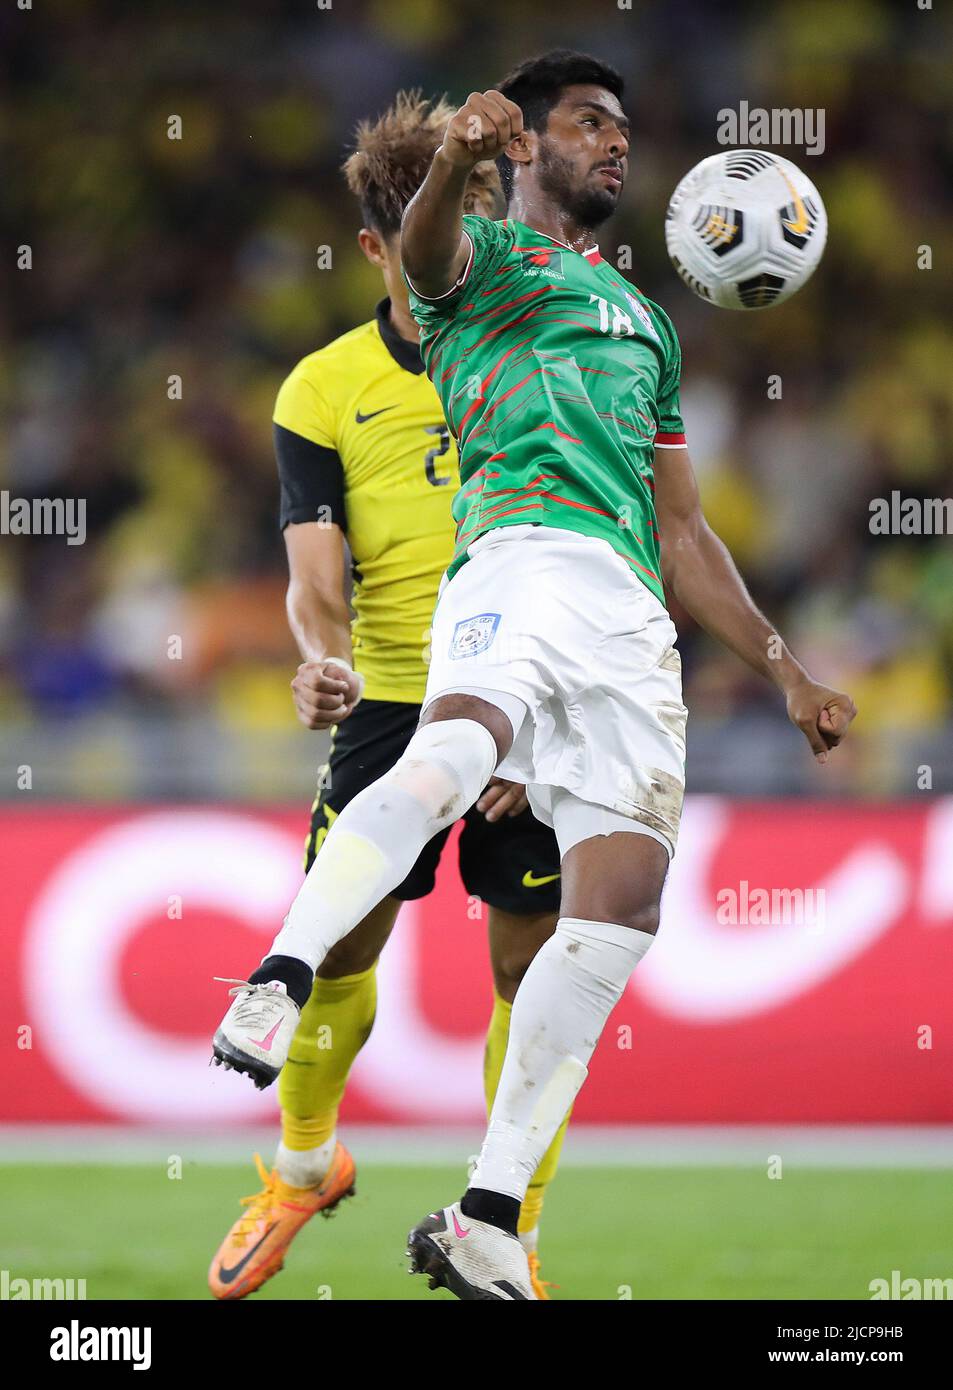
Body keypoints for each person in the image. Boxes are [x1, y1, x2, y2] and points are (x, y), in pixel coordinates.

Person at [212, 51, 857, 1300]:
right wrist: (457, 156)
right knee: (447, 755)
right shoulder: (478, 271)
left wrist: (783, 667)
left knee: (617, 910)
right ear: (525, 149)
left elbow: (682, 530)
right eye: (587, 122)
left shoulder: (648, 325)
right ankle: (279, 980)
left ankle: (490, 1218)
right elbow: (429, 244)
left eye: (625, 125)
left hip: (625, 622)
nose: (616, 142)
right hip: (518, 555)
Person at [208, 92, 566, 1302]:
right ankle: (303, 1166)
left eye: (476, 213)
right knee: (338, 951)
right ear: (380, 244)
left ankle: (505, 1223)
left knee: (536, 975)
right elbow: (317, 573)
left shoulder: (543, 353)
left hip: (531, 703)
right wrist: (322, 654)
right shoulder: (323, 389)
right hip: (395, 705)